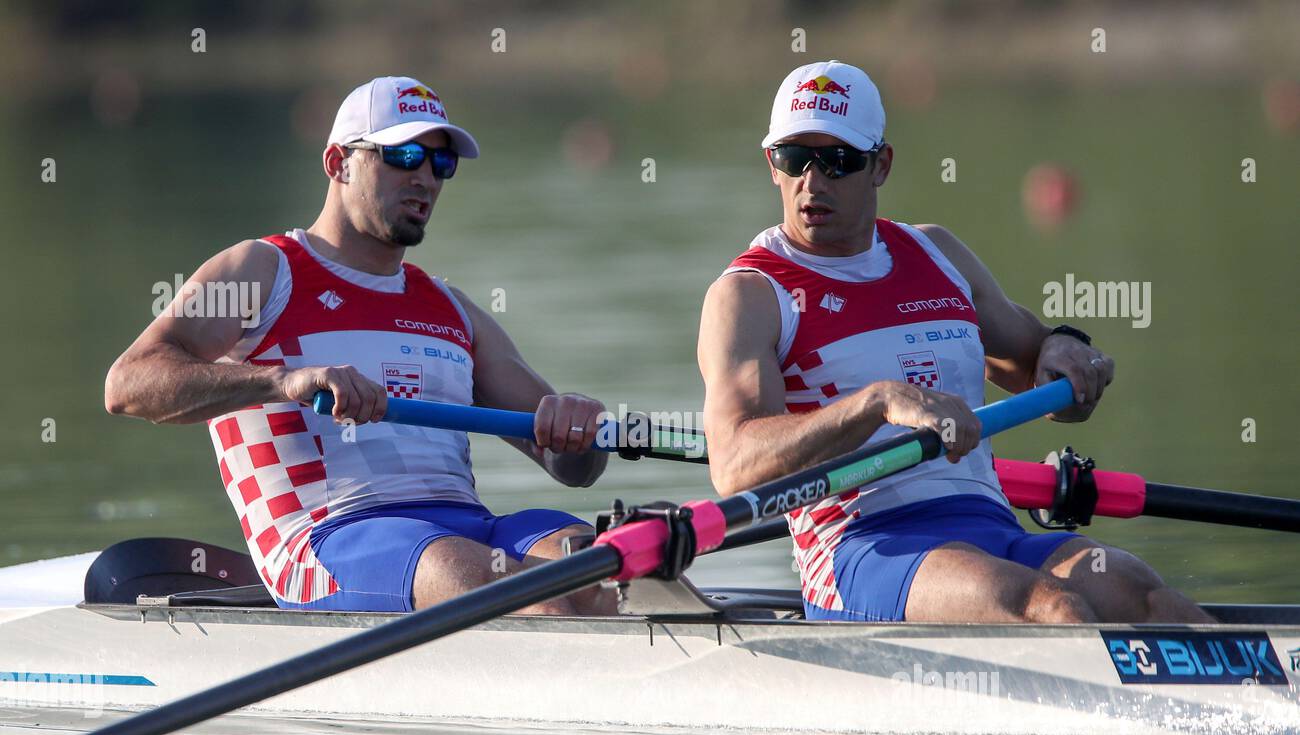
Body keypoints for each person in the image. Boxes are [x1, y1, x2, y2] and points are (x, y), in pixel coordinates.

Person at [697, 60, 1211, 624]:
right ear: (772, 164)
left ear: (881, 165)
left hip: (991, 527)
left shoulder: (936, 254)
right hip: (865, 549)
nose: (812, 183)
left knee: (1148, 596)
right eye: (794, 158)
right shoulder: (751, 295)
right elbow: (735, 463)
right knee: (1052, 607)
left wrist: (1064, 350)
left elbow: (1032, 359)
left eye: (839, 160)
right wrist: (877, 402)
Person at [105, 76, 613, 614]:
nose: (425, 178)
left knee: (609, 568)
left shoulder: (454, 310)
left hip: (467, 530)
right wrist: (281, 382)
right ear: (337, 162)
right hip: (328, 541)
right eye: (405, 155)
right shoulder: (260, 272)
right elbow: (128, 383)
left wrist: (580, 431)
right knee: (508, 588)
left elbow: (570, 469)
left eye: (442, 164)